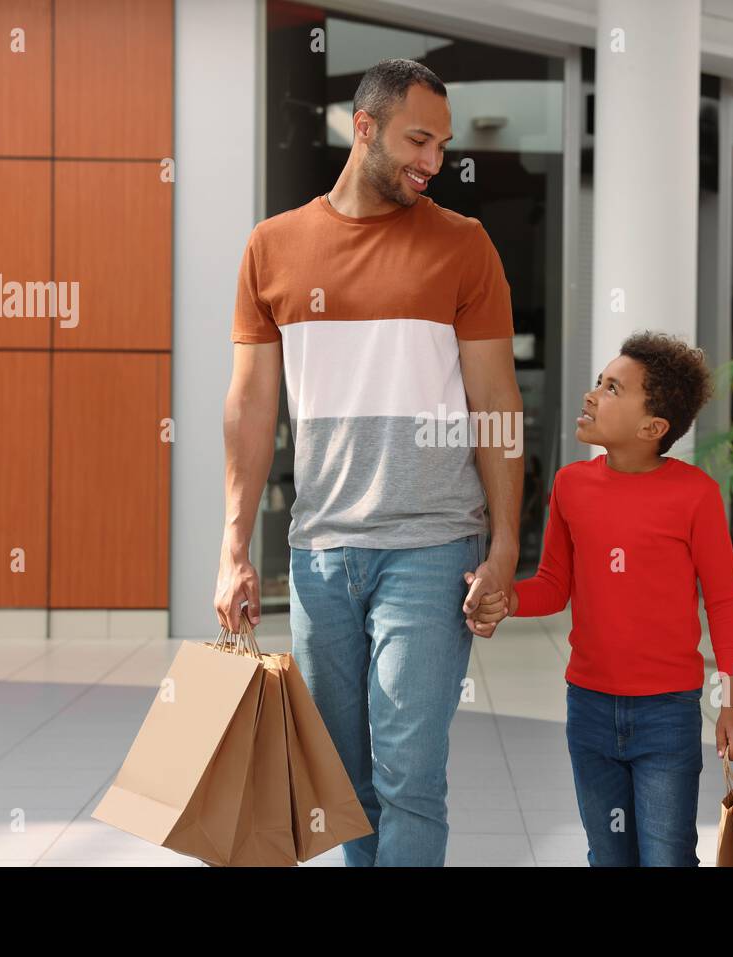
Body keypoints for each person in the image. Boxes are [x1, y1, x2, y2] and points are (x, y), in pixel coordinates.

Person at [213, 58, 523, 866]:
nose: (434, 161)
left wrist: (505, 543)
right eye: (419, 139)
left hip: (431, 547)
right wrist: (234, 546)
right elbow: (249, 407)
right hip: (320, 553)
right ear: (364, 128)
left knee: (409, 776)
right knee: (343, 783)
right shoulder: (272, 248)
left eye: (444, 145)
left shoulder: (464, 246)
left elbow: (497, 403)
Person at [469, 332, 733, 866]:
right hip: (589, 708)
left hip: (667, 714)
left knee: (668, 857)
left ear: (653, 428)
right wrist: (505, 599)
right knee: (607, 855)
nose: (592, 395)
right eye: (600, 382)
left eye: (613, 388)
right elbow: (554, 587)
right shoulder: (570, 486)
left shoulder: (695, 495)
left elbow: (725, 604)